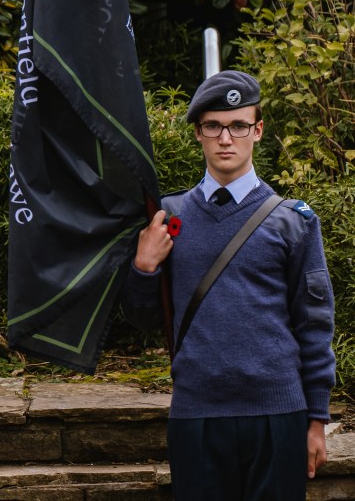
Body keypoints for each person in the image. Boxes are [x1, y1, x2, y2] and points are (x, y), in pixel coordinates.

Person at [122, 69, 335, 501]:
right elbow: (143, 321)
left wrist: (316, 419)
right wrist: (143, 268)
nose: (225, 138)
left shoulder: (292, 222)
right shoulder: (167, 218)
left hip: (278, 413)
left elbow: (314, 325)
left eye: (238, 125)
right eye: (213, 126)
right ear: (198, 133)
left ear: (257, 131)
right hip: (197, 414)